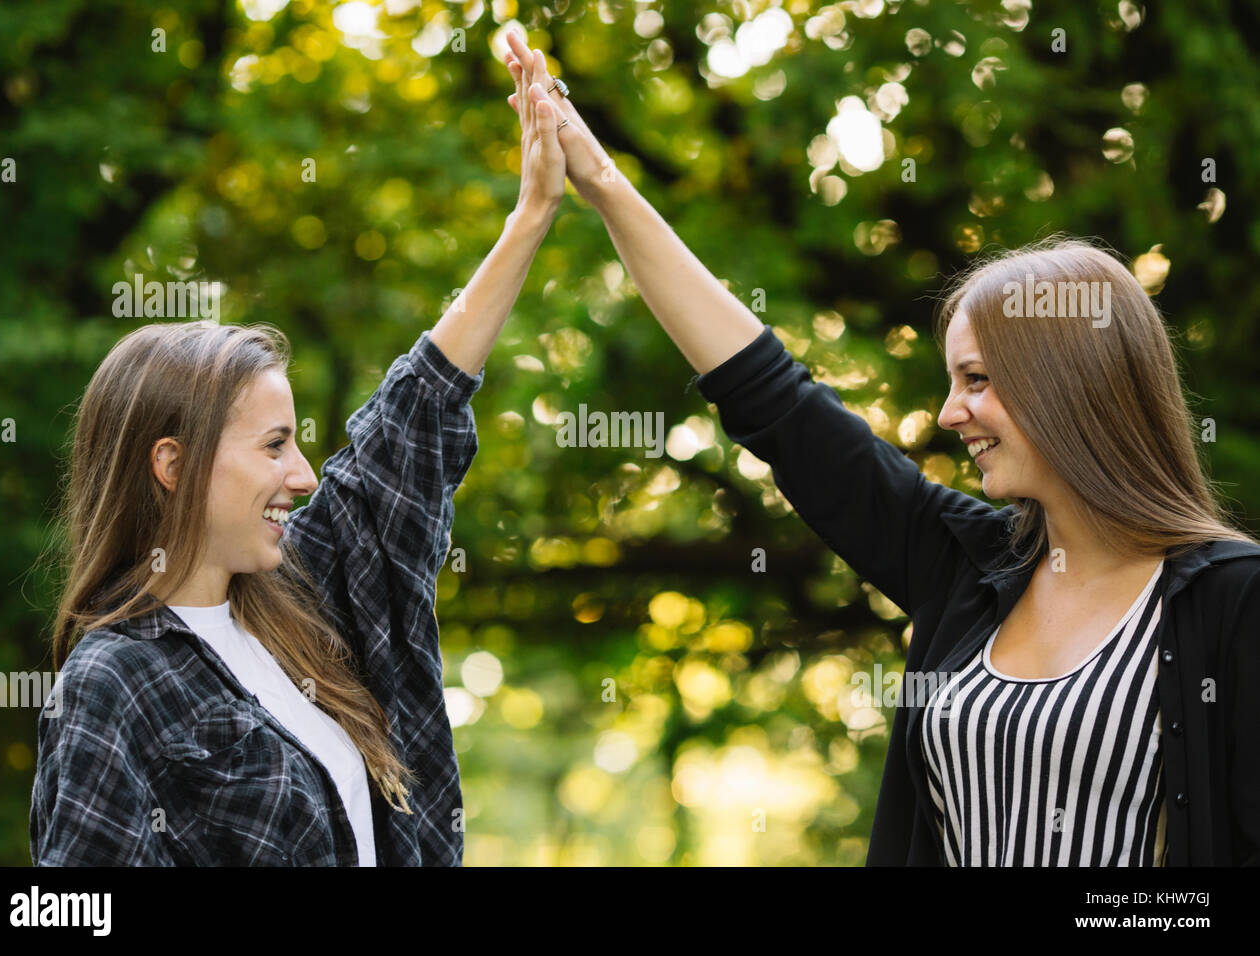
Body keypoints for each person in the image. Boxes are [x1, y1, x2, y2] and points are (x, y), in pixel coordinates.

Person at [502, 33, 1260, 865]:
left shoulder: (1230, 602)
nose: (948, 414)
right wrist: (602, 183)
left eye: (975, 381)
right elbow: (775, 401)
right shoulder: (965, 570)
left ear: (1064, 383)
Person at [29, 49, 568, 866]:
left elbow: (409, 421)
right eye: (275, 445)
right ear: (172, 466)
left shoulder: (300, 595)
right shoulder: (114, 682)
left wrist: (529, 216)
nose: (304, 474)